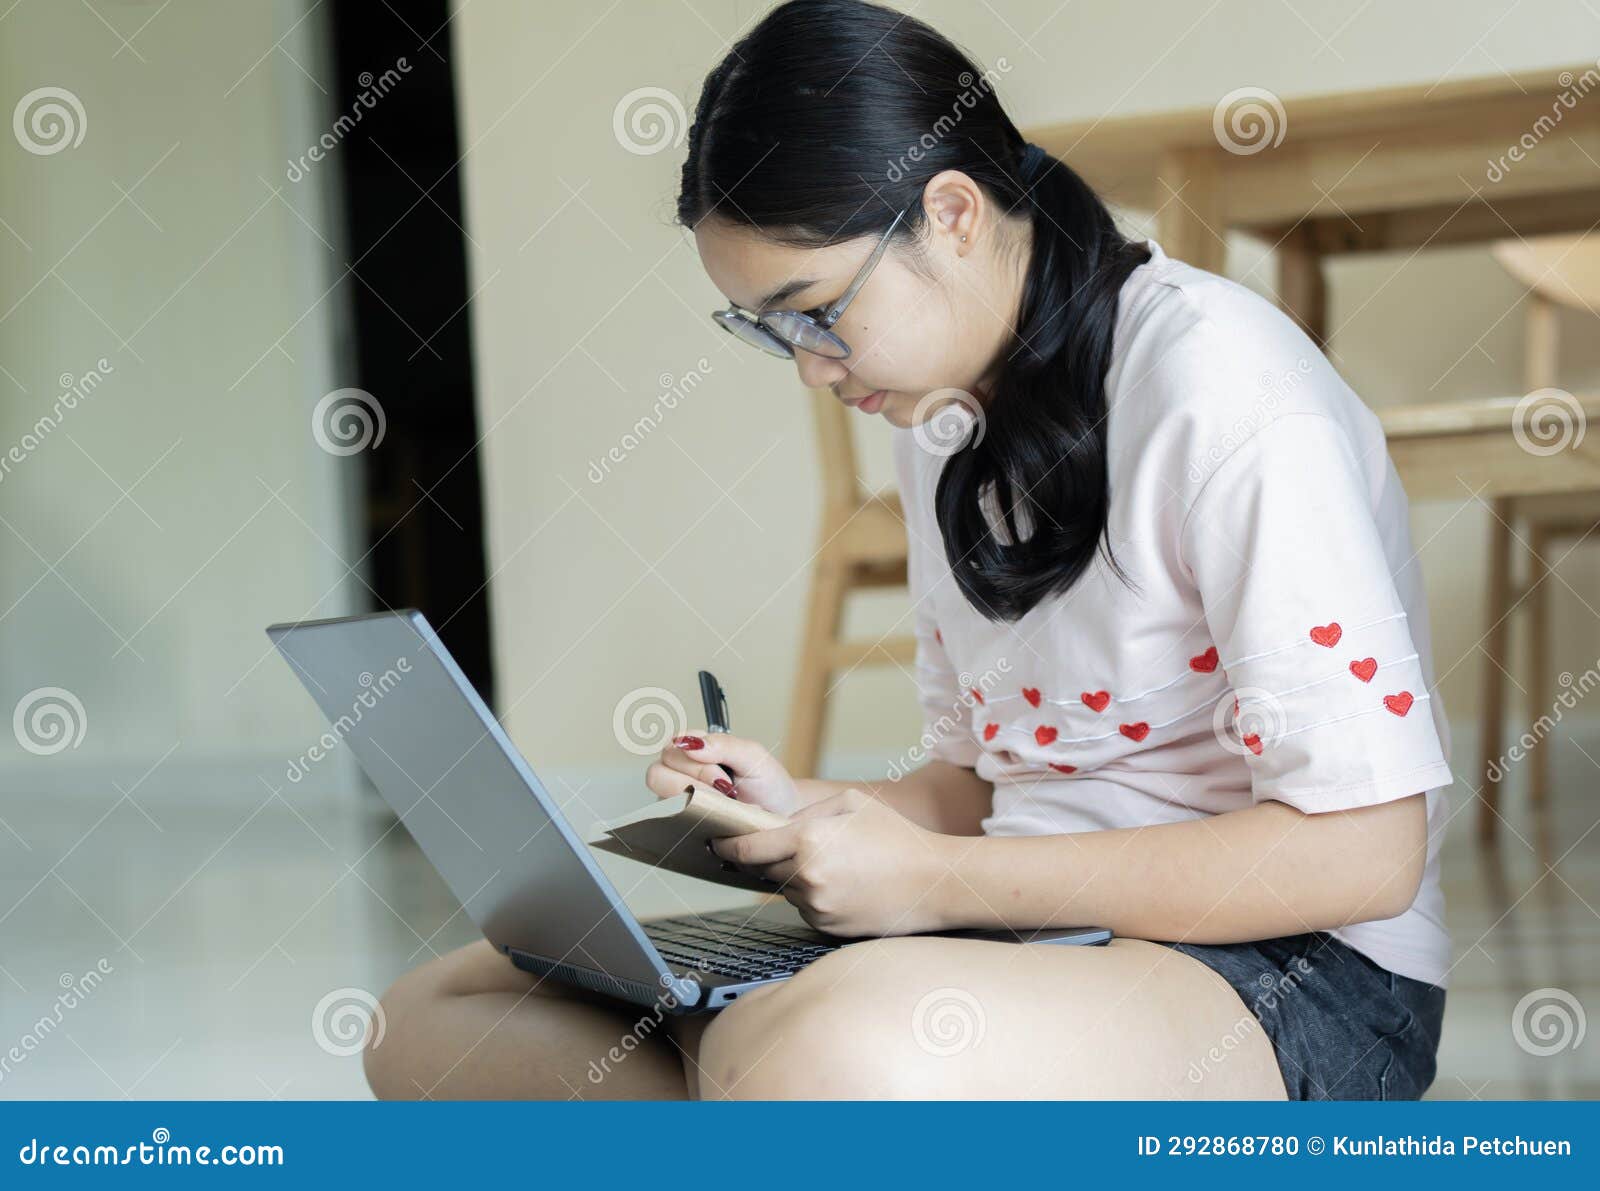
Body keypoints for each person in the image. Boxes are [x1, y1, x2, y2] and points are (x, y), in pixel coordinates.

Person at [365, 0, 1452, 1101]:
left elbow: (1361, 856)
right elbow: (983, 789)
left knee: (814, 1051)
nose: (810, 368)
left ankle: (783, 1099)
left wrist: (935, 881)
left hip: (1282, 977)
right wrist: (803, 816)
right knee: (432, 1022)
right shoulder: (943, 426)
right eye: (767, 328)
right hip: (1030, 940)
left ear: (952, 214)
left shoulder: (1221, 387)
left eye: (815, 309)